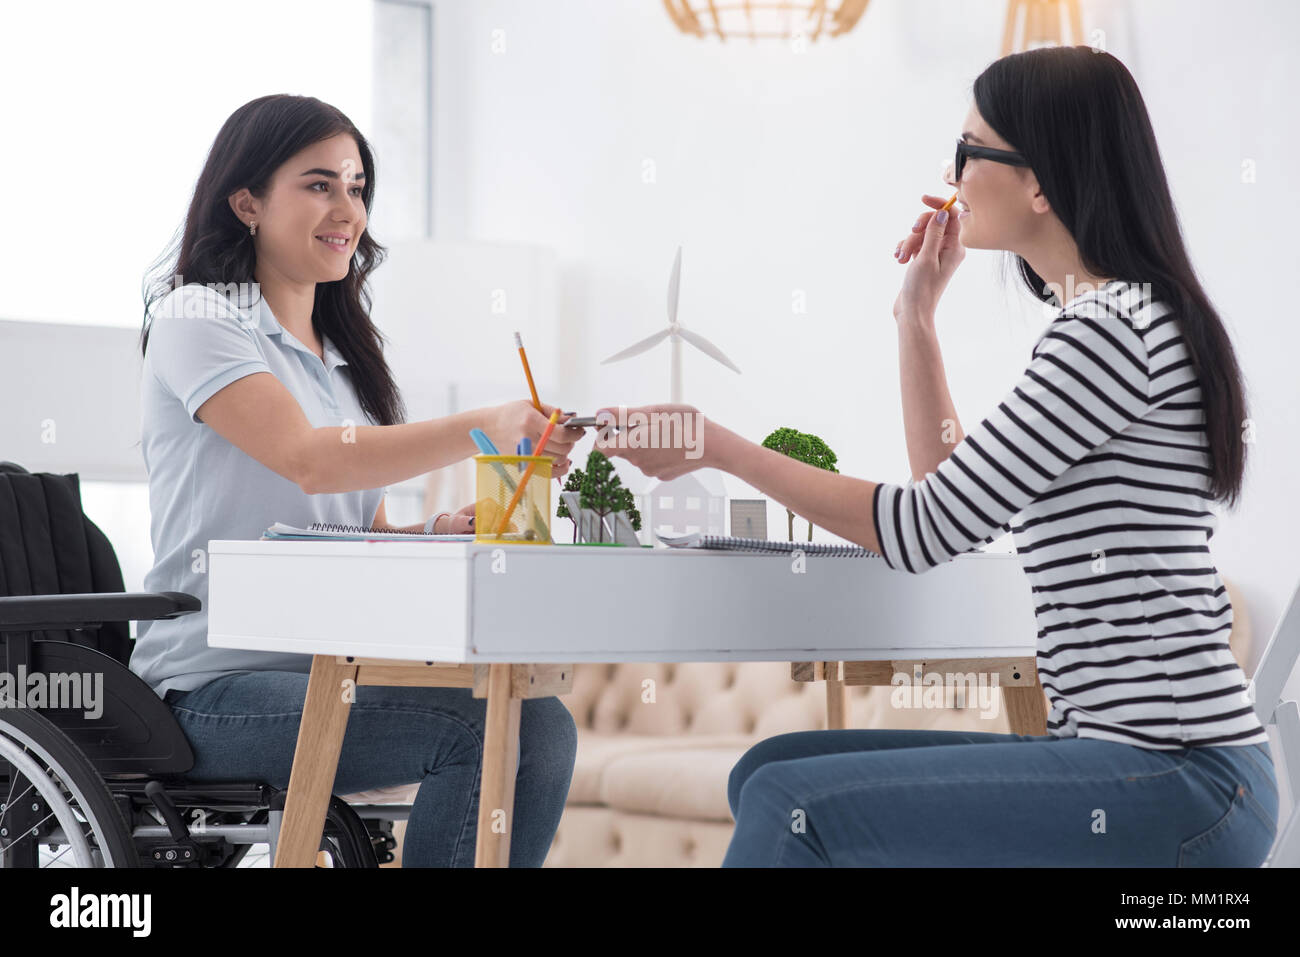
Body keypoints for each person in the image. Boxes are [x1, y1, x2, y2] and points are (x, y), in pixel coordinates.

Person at [594, 47, 1277, 867]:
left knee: (790, 803)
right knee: (768, 769)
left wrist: (718, 447)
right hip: (1145, 765)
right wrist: (915, 315)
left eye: (969, 152)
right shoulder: (1119, 319)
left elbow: (919, 530)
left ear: (1040, 182)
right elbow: (942, 495)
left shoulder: (1106, 333)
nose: (951, 174)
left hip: (1179, 778)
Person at [133, 94, 584, 866]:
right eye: (318, 184)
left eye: (357, 186)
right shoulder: (197, 319)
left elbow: (345, 536)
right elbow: (309, 457)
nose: (347, 208)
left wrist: (434, 534)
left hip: (327, 673)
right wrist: (490, 424)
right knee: (485, 729)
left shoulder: (343, 361)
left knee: (536, 719)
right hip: (214, 691)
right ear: (246, 202)